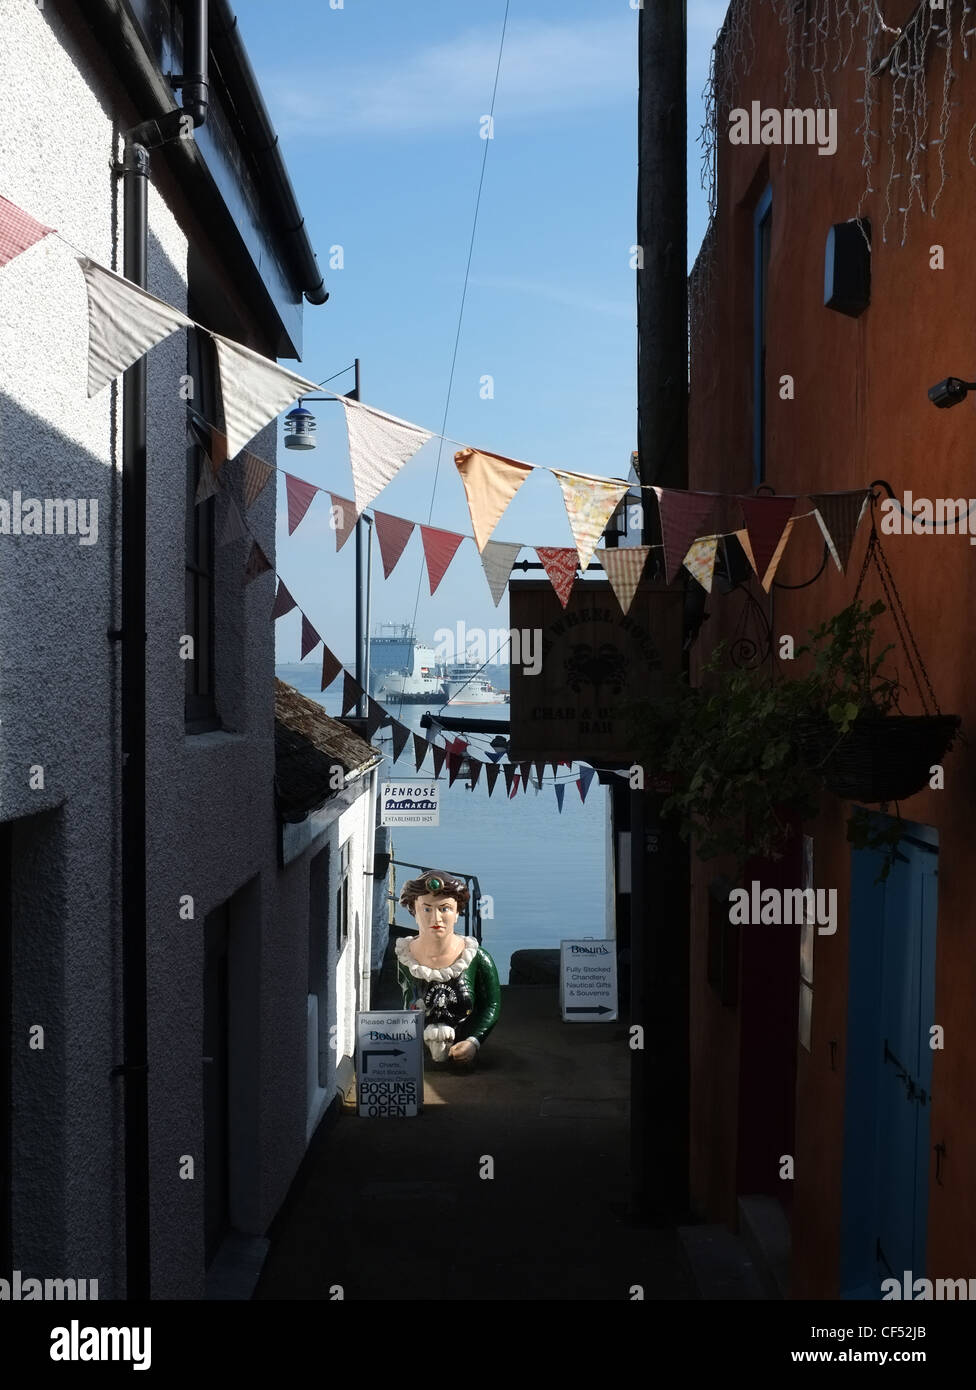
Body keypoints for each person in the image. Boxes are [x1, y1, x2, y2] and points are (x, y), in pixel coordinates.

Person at [395, 870, 501, 1064]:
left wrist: (473, 1041)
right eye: (426, 909)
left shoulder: (476, 958)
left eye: (445, 909)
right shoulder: (402, 958)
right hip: (411, 1060)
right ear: (413, 911)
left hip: (463, 1058)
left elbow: (491, 1005)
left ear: (457, 913)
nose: (436, 919)